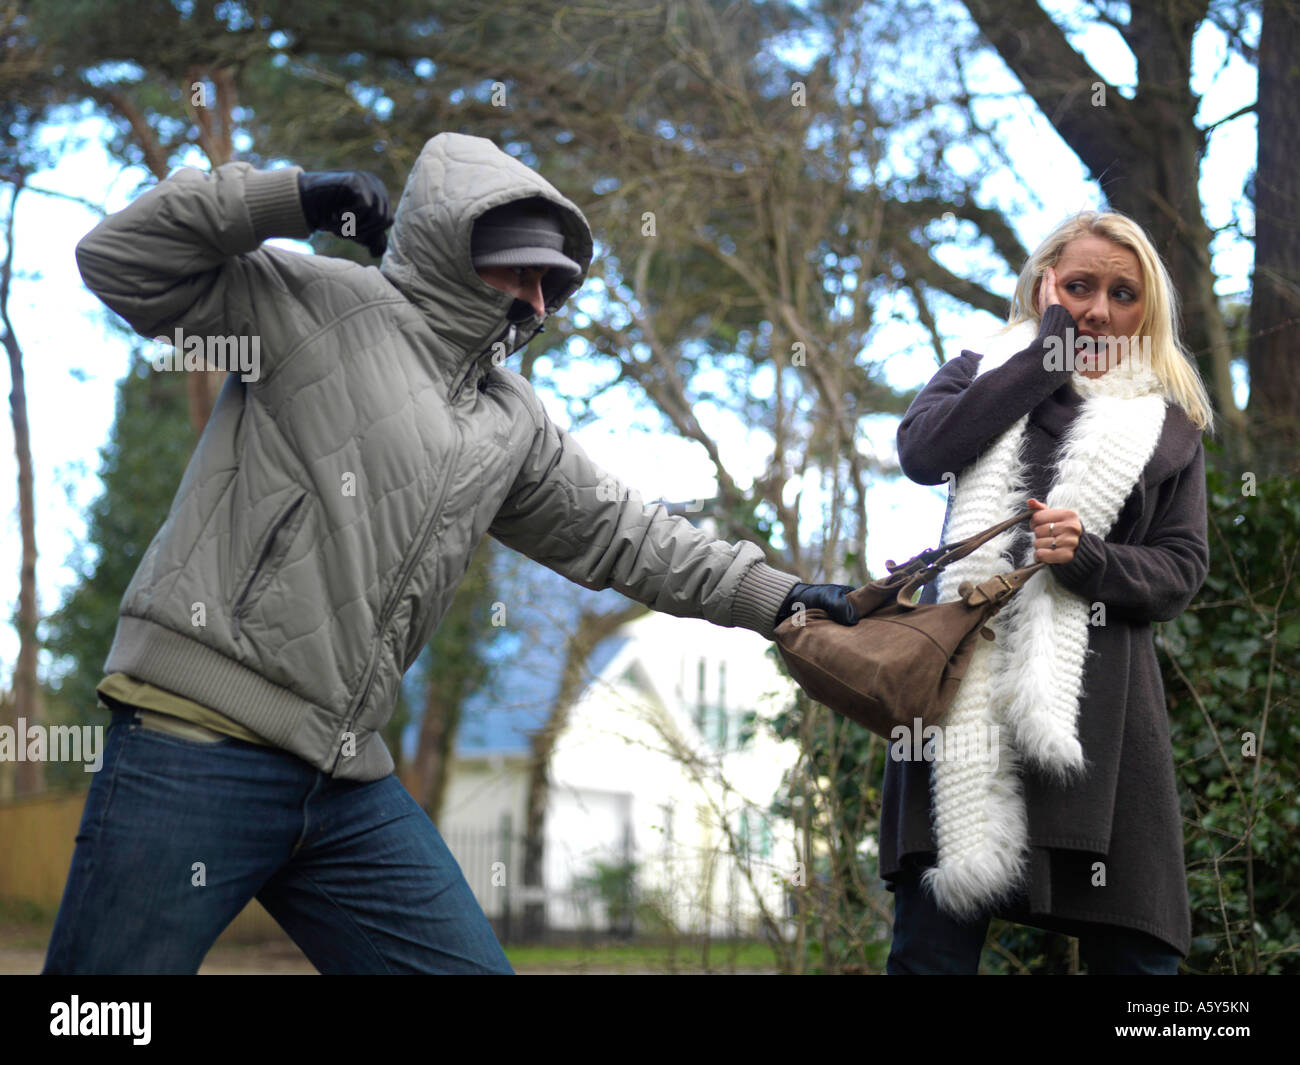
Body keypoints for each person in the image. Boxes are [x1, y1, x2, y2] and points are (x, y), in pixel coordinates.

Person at [43, 131, 857, 975]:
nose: (539, 303)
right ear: (456, 248)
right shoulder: (314, 303)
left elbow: (629, 534)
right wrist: (290, 198)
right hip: (198, 739)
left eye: (552, 284)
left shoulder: (511, 420)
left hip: (344, 775)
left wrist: (779, 597)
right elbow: (120, 259)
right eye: (522, 273)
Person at [881, 209, 1213, 974]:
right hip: (962, 698)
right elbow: (925, 451)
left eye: (1123, 293)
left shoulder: (1168, 427)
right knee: (931, 956)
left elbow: (1180, 569)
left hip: (1104, 723)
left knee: (1138, 966)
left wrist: (1093, 561)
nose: (1099, 308)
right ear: (1042, 286)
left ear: (1148, 309)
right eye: (1079, 286)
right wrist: (1048, 354)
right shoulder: (978, 374)